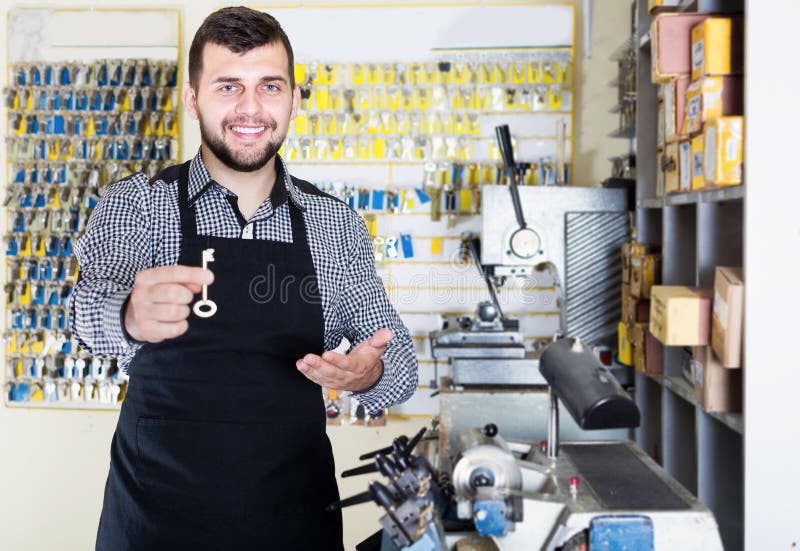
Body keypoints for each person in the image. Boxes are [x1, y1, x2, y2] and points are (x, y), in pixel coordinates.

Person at [70, 7, 418, 549]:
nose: (251, 107)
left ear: (295, 98)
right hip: (156, 521)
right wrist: (129, 315)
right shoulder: (137, 205)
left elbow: (398, 365)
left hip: (292, 521)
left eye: (269, 86)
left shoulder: (335, 225)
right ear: (193, 99)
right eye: (228, 86)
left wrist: (366, 375)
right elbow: (86, 313)